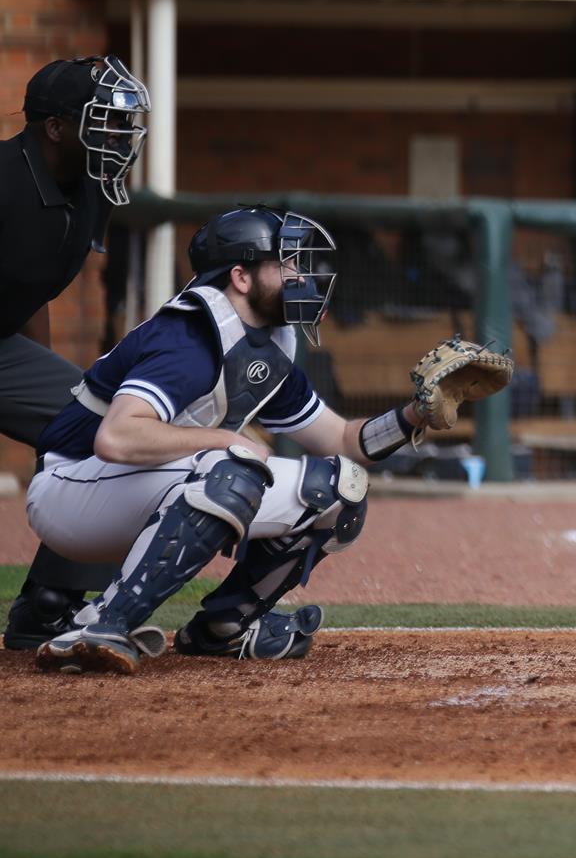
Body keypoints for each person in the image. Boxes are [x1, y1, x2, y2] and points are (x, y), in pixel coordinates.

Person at [26, 207, 504, 673]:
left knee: (339, 488)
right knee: (233, 465)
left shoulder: (269, 344)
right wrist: (220, 442)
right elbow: (117, 436)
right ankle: (103, 623)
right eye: (286, 263)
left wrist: (415, 413)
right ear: (240, 277)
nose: (301, 274)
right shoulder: (192, 334)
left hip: (143, 490)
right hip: (74, 487)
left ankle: (226, 624)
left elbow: (341, 438)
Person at [1, 56, 149, 651]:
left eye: (123, 123)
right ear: (56, 128)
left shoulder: (92, 190)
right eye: (104, 121)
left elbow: (28, 289)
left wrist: (64, 402)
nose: (118, 136)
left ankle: (50, 604)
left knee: (99, 425)